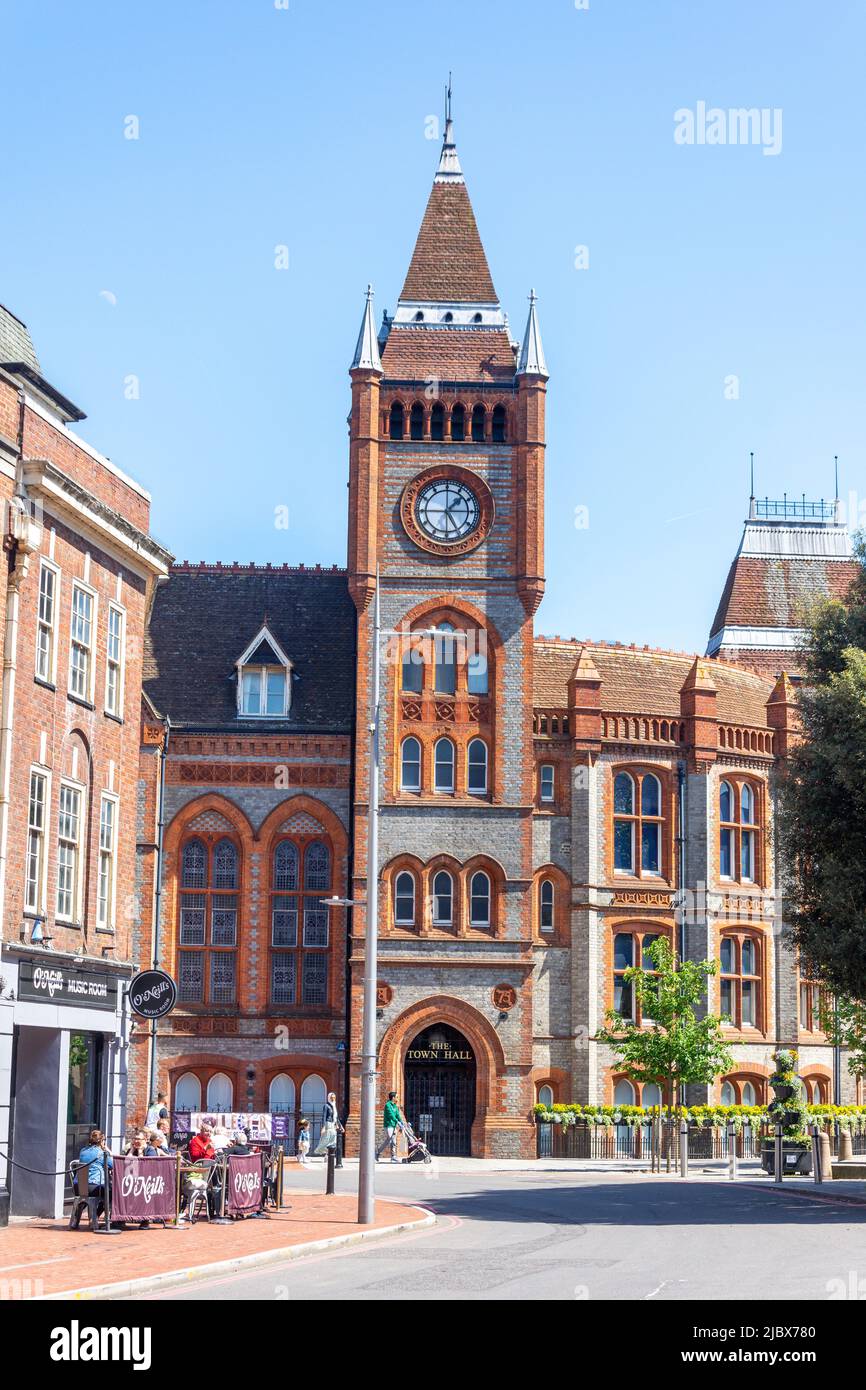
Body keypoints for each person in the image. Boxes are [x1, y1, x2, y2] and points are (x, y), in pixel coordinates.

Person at [75, 1129, 113, 1223]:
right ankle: (95, 1216)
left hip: (79, 1186)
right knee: (111, 1193)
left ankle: (76, 1217)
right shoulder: (101, 1153)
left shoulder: (82, 1151)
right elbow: (112, 1165)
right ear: (102, 1141)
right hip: (95, 1187)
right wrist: (106, 1150)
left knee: (85, 1197)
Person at [376, 1092, 405, 1163]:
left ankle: (393, 1157)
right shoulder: (388, 1105)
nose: (398, 1098)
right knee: (389, 1140)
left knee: (393, 1141)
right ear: (393, 1098)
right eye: (397, 1097)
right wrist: (397, 1121)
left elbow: (397, 1115)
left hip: (394, 1126)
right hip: (389, 1125)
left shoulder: (395, 1106)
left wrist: (401, 1121)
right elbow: (391, 1115)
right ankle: (377, 1152)